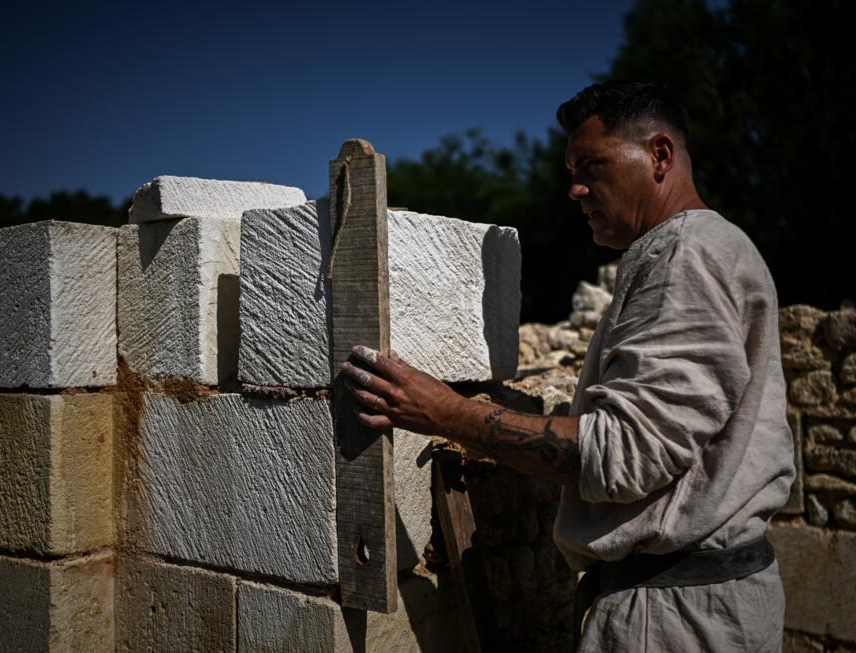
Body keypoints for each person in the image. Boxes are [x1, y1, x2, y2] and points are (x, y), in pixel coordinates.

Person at [340, 80, 795, 652]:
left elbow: (624, 453)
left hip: (673, 619)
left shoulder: (686, 256)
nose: (576, 189)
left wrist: (444, 412)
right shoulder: (703, 249)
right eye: (570, 170)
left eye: (593, 166)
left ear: (660, 156)